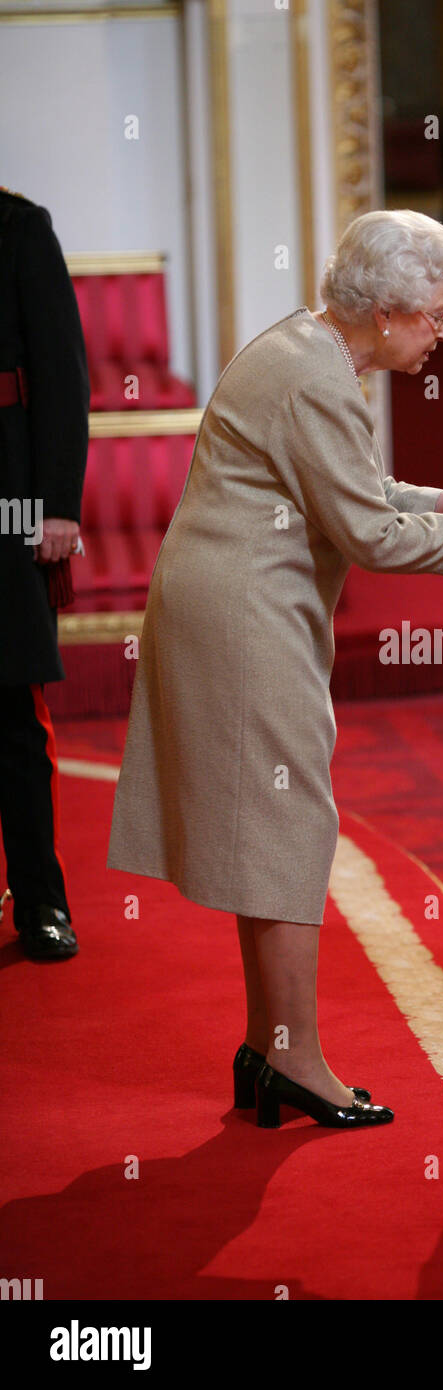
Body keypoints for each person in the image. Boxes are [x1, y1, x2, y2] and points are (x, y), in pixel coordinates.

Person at [107, 209, 443, 1131]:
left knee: (262, 824)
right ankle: (294, 1058)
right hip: (242, 615)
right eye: (433, 314)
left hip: (233, 601)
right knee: (286, 824)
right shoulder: (316, 375)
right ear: (385, 311)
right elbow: (369, 531)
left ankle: (270, 1047)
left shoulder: (312, 351)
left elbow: (361, 487)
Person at [0, 187, 89, 961]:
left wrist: (56, 506)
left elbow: (61, 371)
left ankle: (39, 902)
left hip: (7, 498)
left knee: (9, 713)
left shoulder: (18, 226)